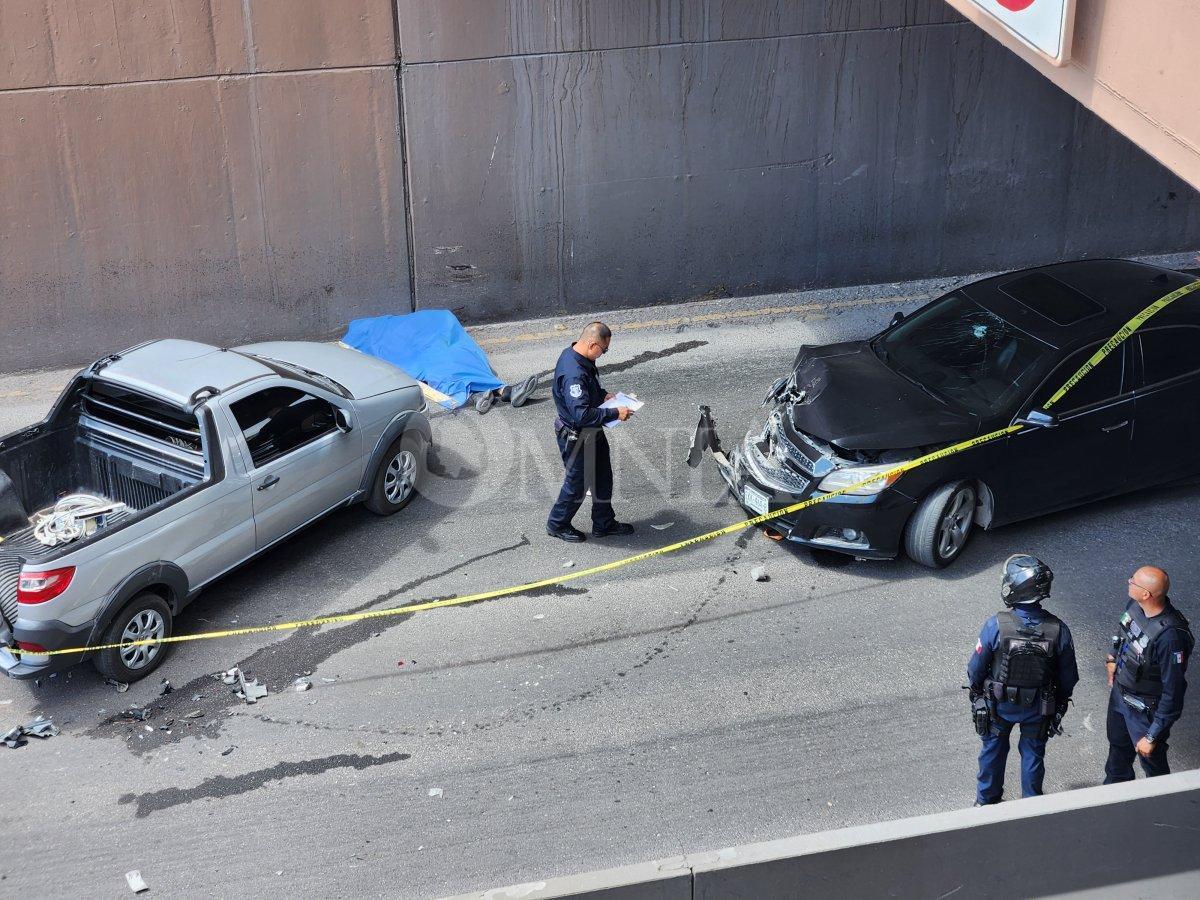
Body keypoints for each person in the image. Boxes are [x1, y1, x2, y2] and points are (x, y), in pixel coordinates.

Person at [967, 554, 1079, 806]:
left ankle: (985, 804)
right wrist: (1057, 703)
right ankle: (1031, 806)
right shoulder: (1059, 629)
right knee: (1033, 756)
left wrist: (977, 693)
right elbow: (1069, 677)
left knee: (992, 755)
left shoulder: (995, 625)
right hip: (1038, 708)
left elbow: (975, 667)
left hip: (998, 706)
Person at [546, 322, 634, 543]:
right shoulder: (573, 373)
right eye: (604, 350)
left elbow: (589, 390)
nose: (604, 354)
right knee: (577, 485)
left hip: (591, 432)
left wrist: (603, 396)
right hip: (577, 436)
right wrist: (615, 413)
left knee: (603, 477)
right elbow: (581, 415)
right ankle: (557, 524)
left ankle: (604, 523)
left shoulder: (580, 356)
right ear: (592, 343)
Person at [1104, 566, 1193, 783]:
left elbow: (1174, 691)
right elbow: (1122, 632)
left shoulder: (1170, 637)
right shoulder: (1135, 606)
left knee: (1152, 765)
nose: (1128, 582)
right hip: (1120, 697)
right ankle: (1113, 799)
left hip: (1145, 711)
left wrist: (1152, 735)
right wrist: (1112, 658)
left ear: (1146, 594)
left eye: (1133, 581)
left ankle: (1163, 807)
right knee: (1117, 753)